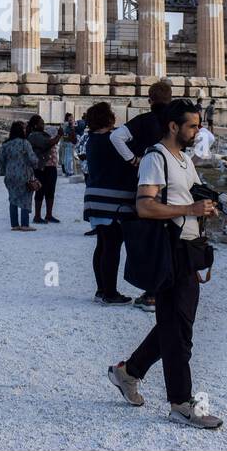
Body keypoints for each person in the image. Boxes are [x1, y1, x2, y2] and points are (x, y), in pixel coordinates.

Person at [107, 98, 222, 430]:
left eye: (199, 125)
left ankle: (127, 373)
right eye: (192, 125)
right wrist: (190, 211)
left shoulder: (185, 159)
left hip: (188, 249)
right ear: (174, 126)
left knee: (176, 325)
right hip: (167, 252)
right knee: (179, 330)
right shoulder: (155, 159)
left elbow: (187, 200)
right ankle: (181, 403)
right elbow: (145, 207)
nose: (198, 130)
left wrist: (204, 208)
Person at [108, 79, 173, 312]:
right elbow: (202, 143)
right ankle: (167, 290)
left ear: (150, 99)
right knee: (172, 236)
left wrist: (133, 160)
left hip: (148, 185)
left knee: (150, 238)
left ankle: (152, 294)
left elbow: (115, 137)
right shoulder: (177, 122)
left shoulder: (144, 121)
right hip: (175, 186)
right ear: (171, 98)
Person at [81, 102, 133, 304]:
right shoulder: (112, 140)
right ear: (109, 118)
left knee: (102, 245)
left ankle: (101, 290)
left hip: (94, 196)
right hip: (112, 199)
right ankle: (110, 293)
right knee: (112, 246)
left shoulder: (92, 140)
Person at [0, 120, 39, 231]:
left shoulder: (5, 145)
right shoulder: (25, 143)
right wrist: (37, 164)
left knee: (13, 199)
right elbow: (32, 159)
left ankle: (15, 224)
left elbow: (2, 162)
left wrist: (1, 171)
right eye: (24, 129)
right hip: (24, 175)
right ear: (21, 131)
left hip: (10, 176)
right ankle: (25, 224)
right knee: (26, 198)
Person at [26, 114, 62, 224]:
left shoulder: (41, 134)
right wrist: (58, 136)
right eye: (41, 123)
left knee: (50, 191)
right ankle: (37, 216)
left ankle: (48, 215)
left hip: (50, 166)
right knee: (40, 191)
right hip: (41, 167)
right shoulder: (34, 136)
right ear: (35, 125)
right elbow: (46, 144)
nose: (43, 125)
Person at [59, 112, 78, 176]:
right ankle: (69, 171)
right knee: (68, 158)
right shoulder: (68, 124)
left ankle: (66, 171)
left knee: (65, 157)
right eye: (71, 117)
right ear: (68, 117)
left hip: (64, 142)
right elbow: (68, 134)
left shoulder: (63, 124)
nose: (72, 118)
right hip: (67, 142)